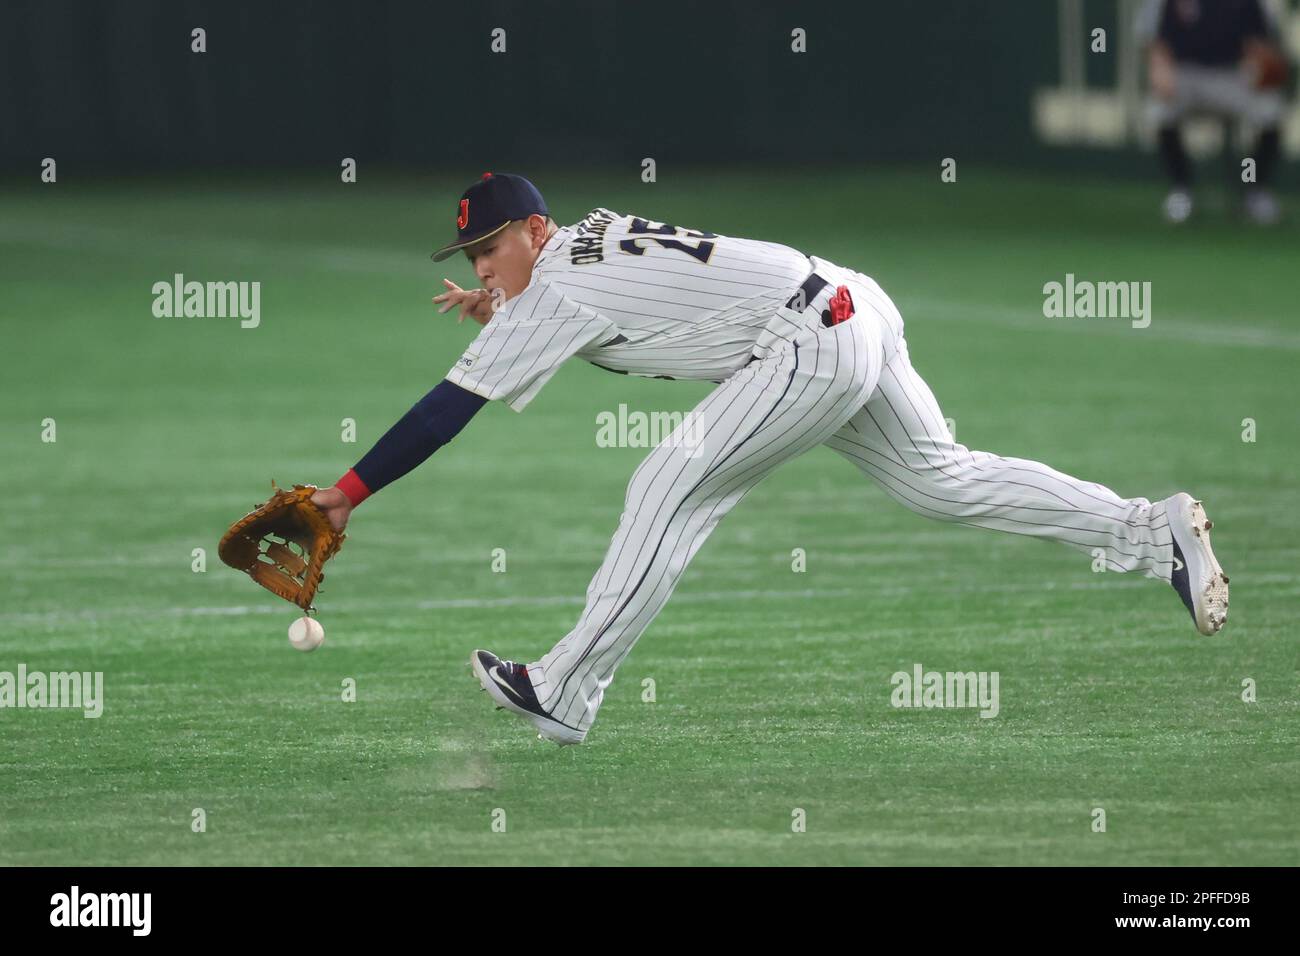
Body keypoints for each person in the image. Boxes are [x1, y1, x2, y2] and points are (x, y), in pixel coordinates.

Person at [308, 172, 1230, 745]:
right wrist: (505, 305)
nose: (480, 269)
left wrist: (349, 493)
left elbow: (448, 409)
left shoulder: (548, 282)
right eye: (470, 257)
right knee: (940, 478)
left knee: (666, 485)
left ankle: (561, 689)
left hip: (807, 343)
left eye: (490, 248)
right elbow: (617, 293)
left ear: (536, 233)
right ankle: (1153, 535)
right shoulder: (573, 249)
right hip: (849, 304)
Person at [1140, 0, 1288, 224]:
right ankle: (1181, 191)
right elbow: (1154, 40)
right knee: (1160, 110)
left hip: (1233, 75)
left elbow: (1260, 42)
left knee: (1270, 108)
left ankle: (1256, 192)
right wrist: (1159, 67)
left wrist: (1261, 61)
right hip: (1186, 73)